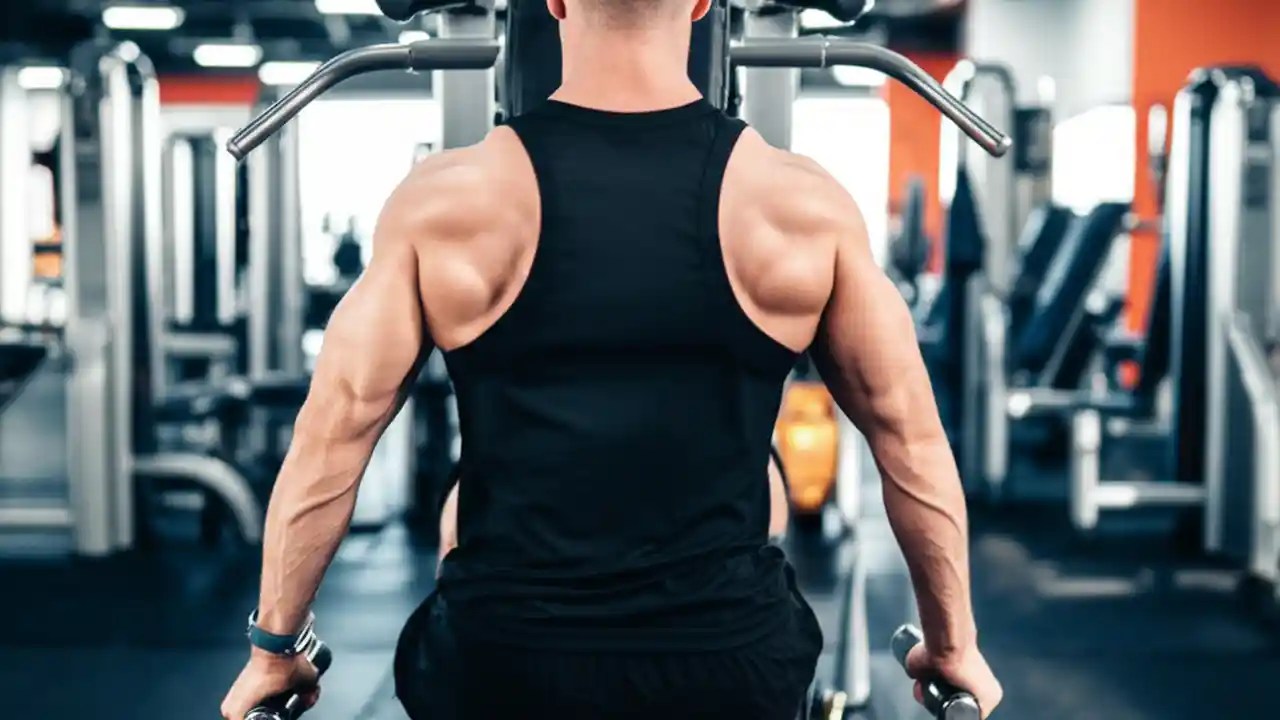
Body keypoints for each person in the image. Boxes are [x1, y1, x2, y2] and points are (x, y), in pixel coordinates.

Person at [219, 0, 1003, 714]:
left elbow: (333, 438)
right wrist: (952, 645)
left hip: (500, 665)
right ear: (703, 7)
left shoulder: (445, 201)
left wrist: (275, 649)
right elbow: (909, 441)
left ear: (554, 4)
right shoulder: (802, 205)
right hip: (728, 668)